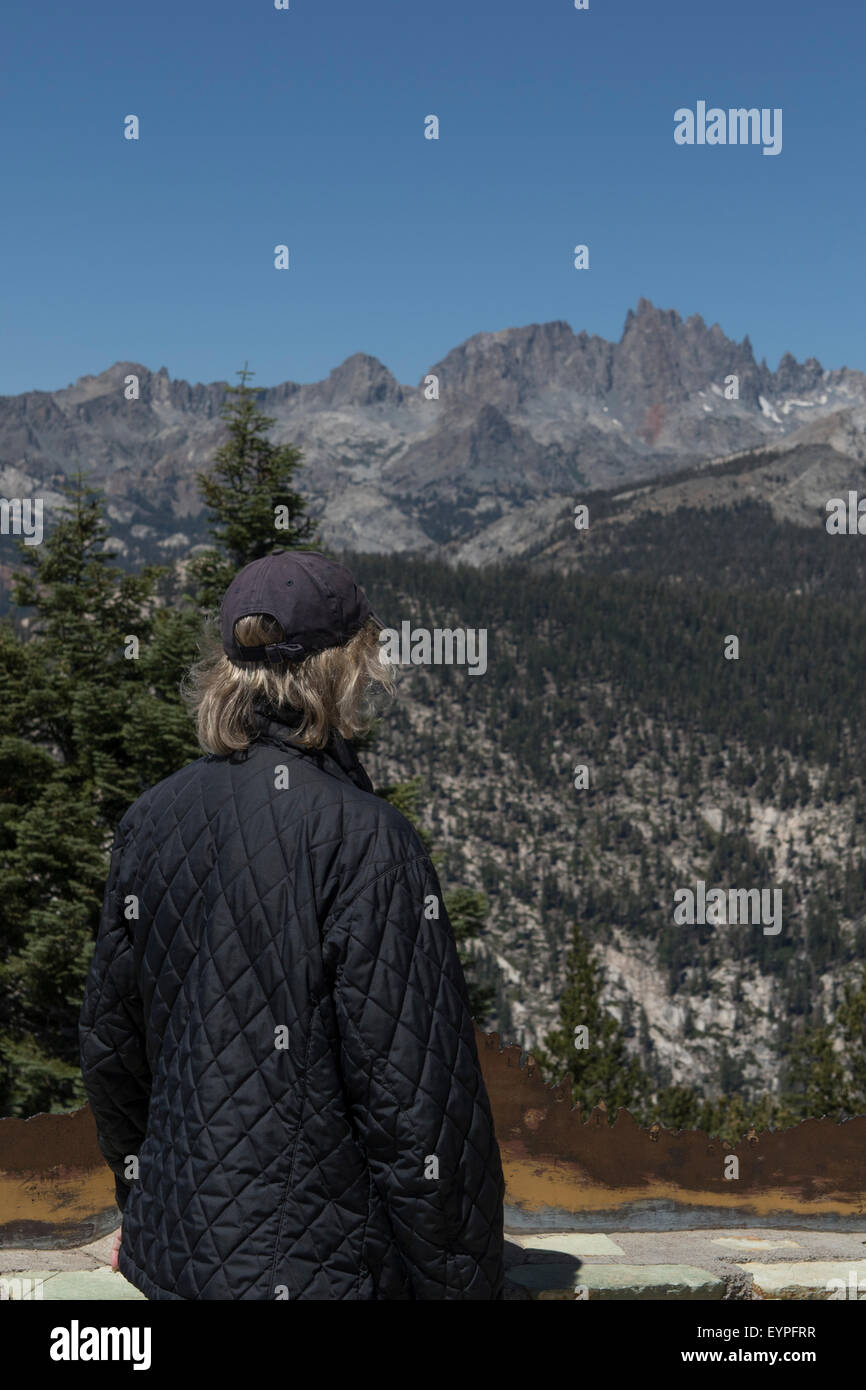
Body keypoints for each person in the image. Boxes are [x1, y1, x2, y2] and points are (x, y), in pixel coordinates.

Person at [78, 550, 505, 1300]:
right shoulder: (367, 840)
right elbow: (418, 1114)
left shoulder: (151, 820)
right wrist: (463, 1286)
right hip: (325, 1277)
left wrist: (147, 1207)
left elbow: (113, 1052)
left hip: (171, 1268)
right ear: (347, 665)